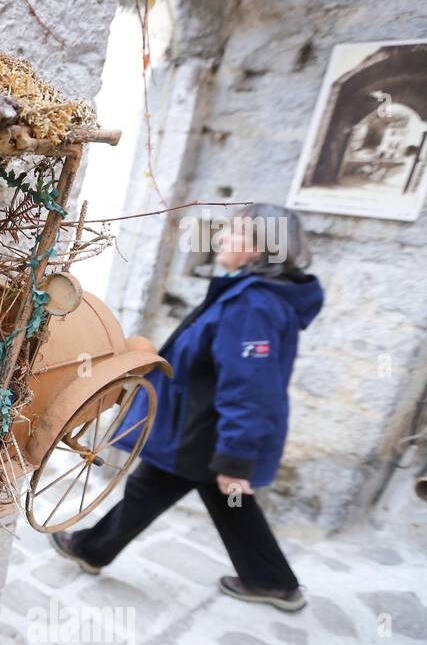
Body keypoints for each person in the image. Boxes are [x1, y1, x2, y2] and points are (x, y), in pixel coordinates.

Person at [50, 204, 324, 612]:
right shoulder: (246, 294)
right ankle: (272, 581)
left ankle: (91, 549)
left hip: (205, 433)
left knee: (182, 491)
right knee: (217, 501)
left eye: (232, 233)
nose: (221, 239)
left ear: (257, 248)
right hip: (199, 429)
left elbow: (250, 390)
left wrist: (235, 460)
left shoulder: (254, 306)